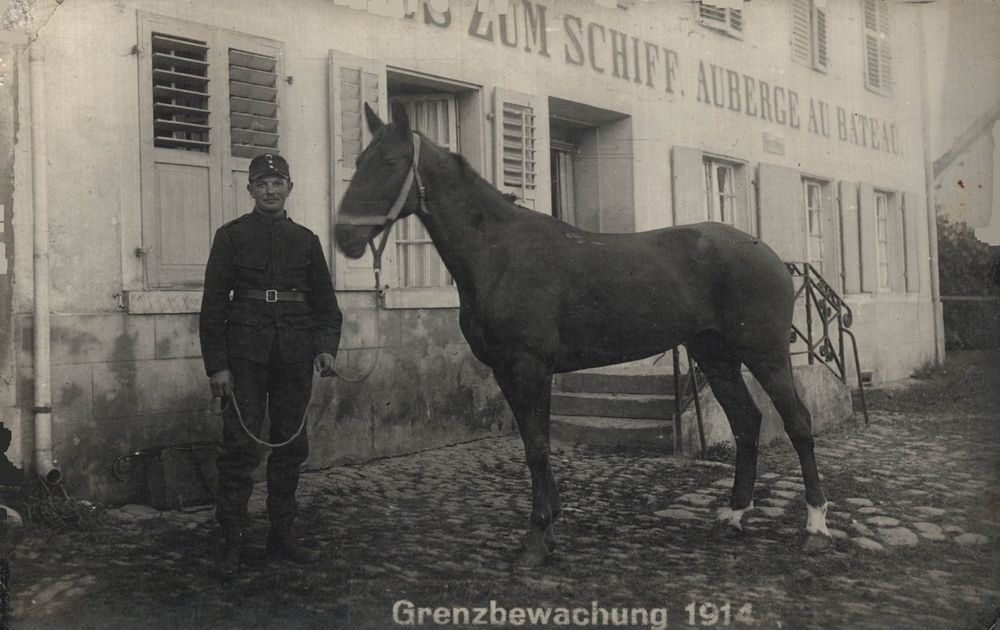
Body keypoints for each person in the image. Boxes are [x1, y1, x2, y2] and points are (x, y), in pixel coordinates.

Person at [199, 153, 342, 574]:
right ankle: (231, 544)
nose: (270, 190)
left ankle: (281, 539)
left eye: (278, 183)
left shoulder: (307, 240)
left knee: (290, 448)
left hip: (295, 357)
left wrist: (325, 347)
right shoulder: (230, 237)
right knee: (239, 449)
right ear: (250, 190)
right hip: (244, 358)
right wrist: (217, 367)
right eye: (262, 183)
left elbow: (327, 307)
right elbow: (211, 310)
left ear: (289, 189)